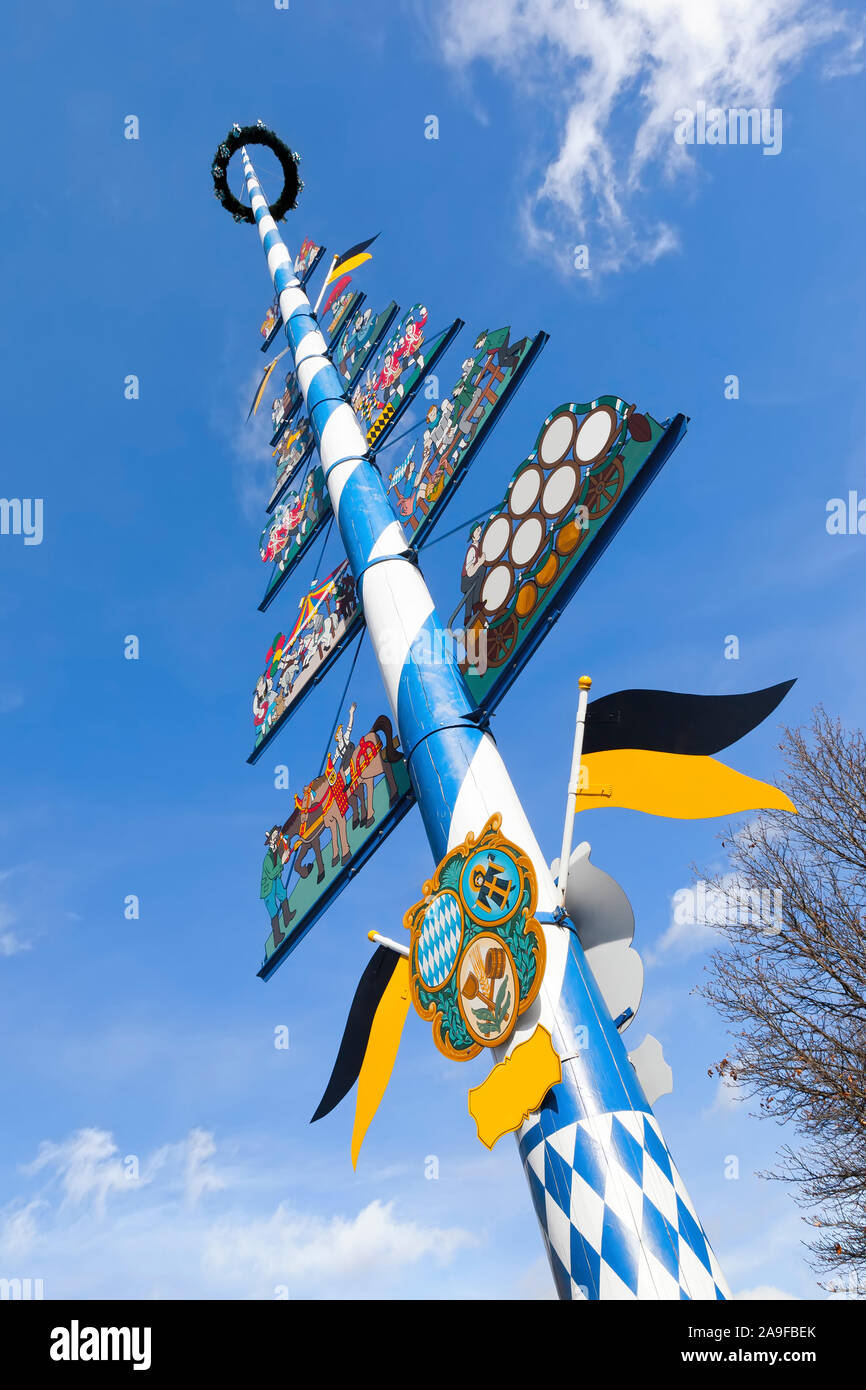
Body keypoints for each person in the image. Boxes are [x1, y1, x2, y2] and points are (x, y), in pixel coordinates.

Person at [261, 826, 294, 946]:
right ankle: (277, 937)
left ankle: (287, 916)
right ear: (270, 840)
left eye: (276, 834)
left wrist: (284, 859)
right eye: (274, 835)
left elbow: (280, 863)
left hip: (276, 879)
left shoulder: (276, 850)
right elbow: (271, 874)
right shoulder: (267, 858)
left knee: (282, 893)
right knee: (273, 910)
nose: (276, 836)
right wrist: (281, 862)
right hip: (268, 887)